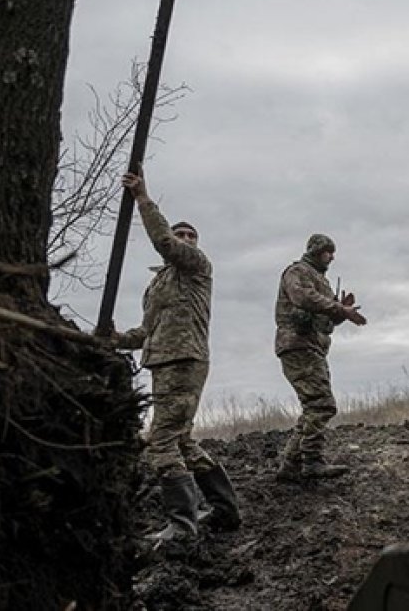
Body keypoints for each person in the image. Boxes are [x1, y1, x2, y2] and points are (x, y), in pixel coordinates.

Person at [112, 171, 241, 541]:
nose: (184, 239)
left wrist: (142, 199)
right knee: (182, 440)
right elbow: (147, 331)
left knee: (162, 441)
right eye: (181, 234)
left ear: (195, 245)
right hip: (164, 362)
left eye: (190, 236)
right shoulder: (159, 285)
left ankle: (182, 527)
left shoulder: (198, 267)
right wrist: (115, 339)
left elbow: (166, 243)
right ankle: (225, 509)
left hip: (185, 360)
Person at [273, 233, 367, 482]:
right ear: (315, 250)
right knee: (323, 405)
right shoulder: (297, 271)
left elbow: (324, 323)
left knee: (313, 407)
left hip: (313, 347)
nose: (332, 257)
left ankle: (290, 465)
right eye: (328, 251)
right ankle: (312, 462)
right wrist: (337, 307)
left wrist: (340, 313)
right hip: (297, 345)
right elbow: (301, 297)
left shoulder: (321, 282)